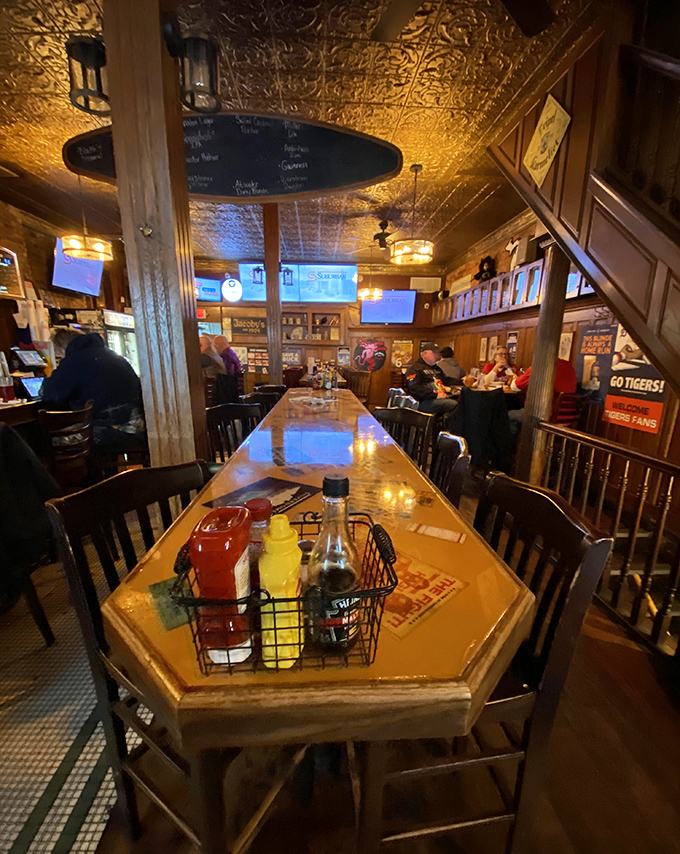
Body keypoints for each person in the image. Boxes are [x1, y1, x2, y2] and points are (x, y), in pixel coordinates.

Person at [41, 328, 146, 455]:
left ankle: (80, 474)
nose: (60, 358)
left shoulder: (75, 361)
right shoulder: (112, 355)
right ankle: (104, 473)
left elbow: (48, 392)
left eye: (58, 355)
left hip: (109, 432)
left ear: (62, 348)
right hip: (137, 427)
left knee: (43, 442)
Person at [507, 358, 577, 434]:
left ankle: (514, 445)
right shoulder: (569, 366)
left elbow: (514, 387)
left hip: (546, 417)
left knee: (509, 415)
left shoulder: (541, 366)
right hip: (569, 419)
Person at [405, 342, 458, 429]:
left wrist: (463, 381)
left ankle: (441, 431)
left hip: (435, 399)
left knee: (459, 400)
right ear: (425, 353)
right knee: (453, 404)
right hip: (421, 402)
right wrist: (435, 395)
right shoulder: (415, 368)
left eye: (438, 353)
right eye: (434, 353)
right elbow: (415, 389)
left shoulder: (435, 368)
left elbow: (447, 380)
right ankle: (444, 432)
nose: (437, 356)